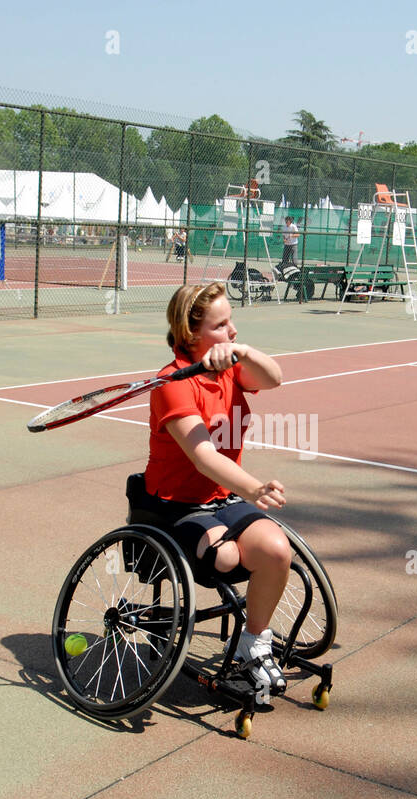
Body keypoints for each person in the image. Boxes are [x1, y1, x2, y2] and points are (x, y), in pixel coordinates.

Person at [142, 282, 291, 703]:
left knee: (277, 550)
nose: (232, 330)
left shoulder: (229, 369)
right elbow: (203, 456)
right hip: (174, 508)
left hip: (223, 501)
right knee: (226, 557)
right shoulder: (171, 382)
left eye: (231, 322)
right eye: (222, 325)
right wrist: (255, 488)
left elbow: (275, 377)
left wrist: (241, 353)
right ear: (191, 334)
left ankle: (254, 641)